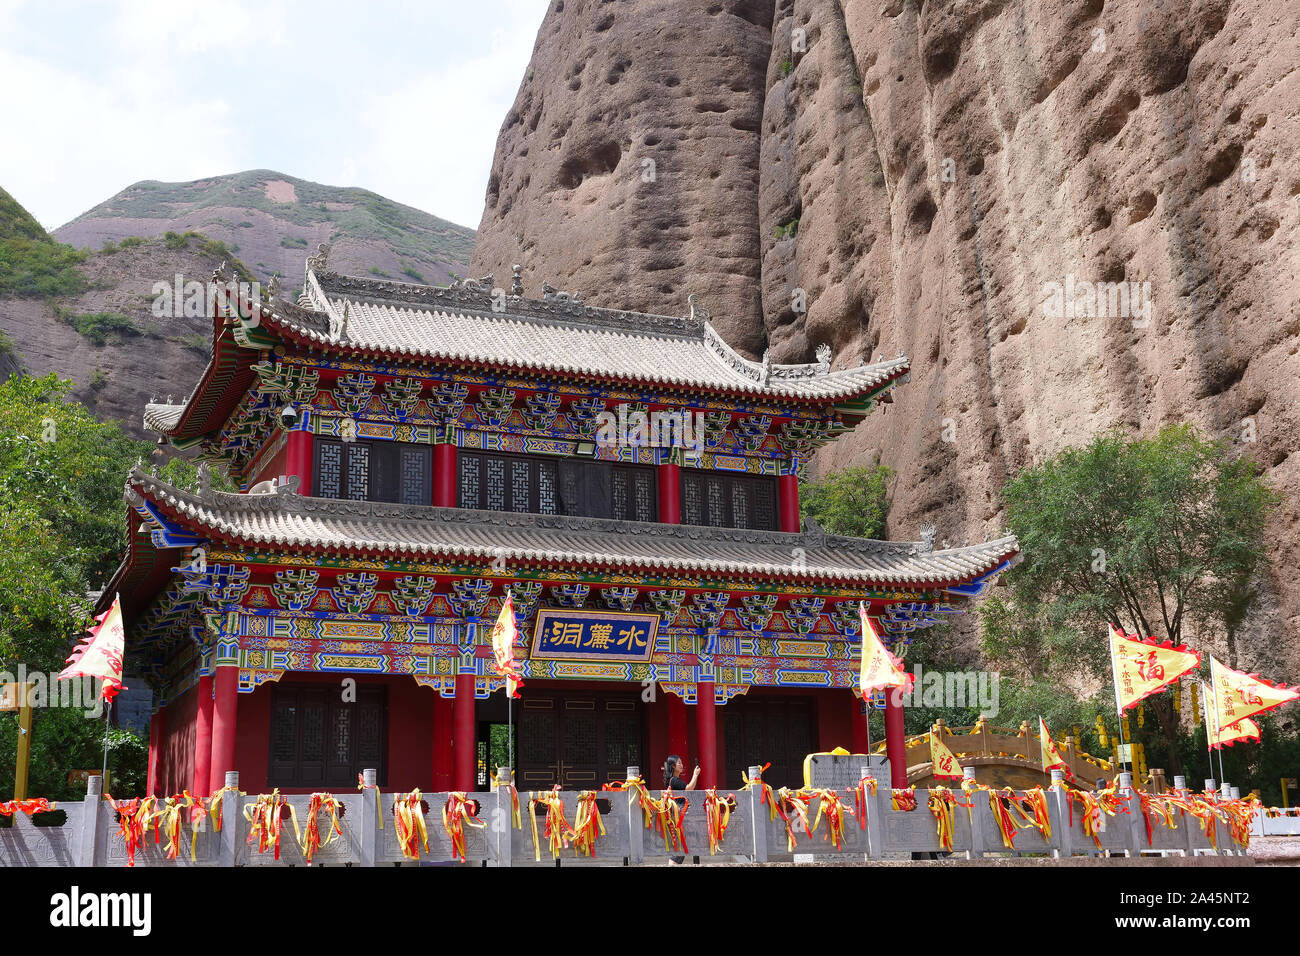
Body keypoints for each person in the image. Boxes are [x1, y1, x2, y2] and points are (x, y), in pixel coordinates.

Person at [663, 754, 700, 865]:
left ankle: (673, 863)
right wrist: (695, 774)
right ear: (673, 766)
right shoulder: (674, 780)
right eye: (679, 763)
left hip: (680, 816)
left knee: (683, 843)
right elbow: (689, 788)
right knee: (682, 843)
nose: (681, 765)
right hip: (680, 816)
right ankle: (672, 864)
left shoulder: (674, 780)